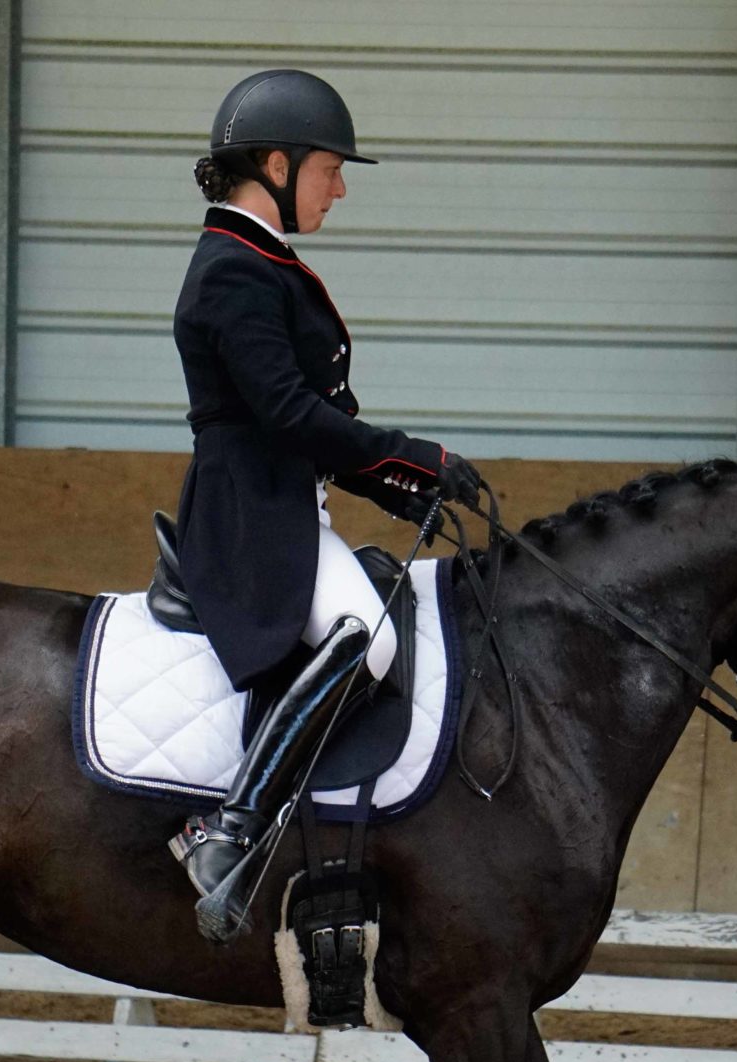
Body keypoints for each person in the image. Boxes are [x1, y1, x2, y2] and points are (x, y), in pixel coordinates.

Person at [167, 68, 486, 942]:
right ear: (276, 163)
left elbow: (317, 428)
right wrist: (415, 454)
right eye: (329, 169)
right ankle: (229, 832)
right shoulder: (235, 270)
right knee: (371, 640)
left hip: (282, 503)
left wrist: (407, 481)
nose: (339, 188)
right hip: (249, 518)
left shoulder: (261, 263)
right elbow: (288, 414)